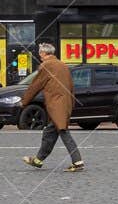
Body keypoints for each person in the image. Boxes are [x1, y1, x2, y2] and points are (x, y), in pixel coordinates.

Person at [20, 44, 83, 172]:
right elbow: (71, 86)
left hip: (56, 104)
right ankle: (38, 160)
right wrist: (71, 103)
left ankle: (77, 161)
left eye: (40, 53)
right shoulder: (63, 65)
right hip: (64, 103)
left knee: (63, 131)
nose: (39, 55)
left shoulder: (46, 65)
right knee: (50, 132)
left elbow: (36, 85)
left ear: (43, 53)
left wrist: (24, 101)